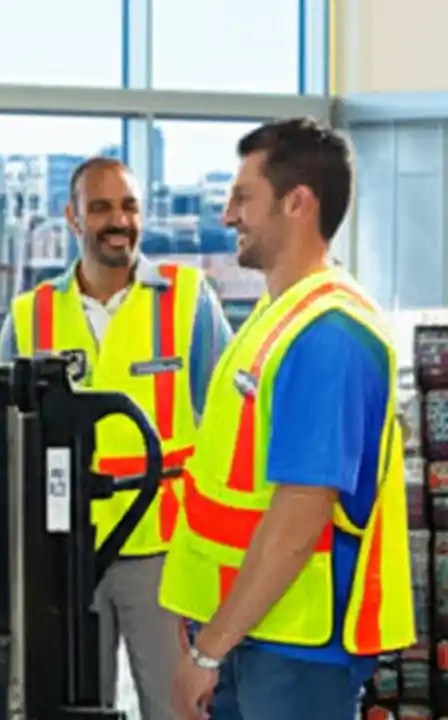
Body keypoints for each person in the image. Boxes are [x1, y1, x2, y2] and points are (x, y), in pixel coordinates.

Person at [162, 118, 414, 720]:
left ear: (297, 202)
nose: (228, 215)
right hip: (251, 636)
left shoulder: (331, 336)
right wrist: (206, 627)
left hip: (298, 649)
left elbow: (302, 510)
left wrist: (210, 647)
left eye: (243, 197)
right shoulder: (274, 319)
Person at [0, 156, 232, 720]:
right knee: (70, 707)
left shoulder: (188, 299)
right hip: (63, 554)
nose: (117, 220)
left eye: (128, 206)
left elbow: (230, 424)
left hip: (165, 553)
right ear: (73, 218)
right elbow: (0, 443)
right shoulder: (30, 316)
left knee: (178, 708)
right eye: (100, 207)